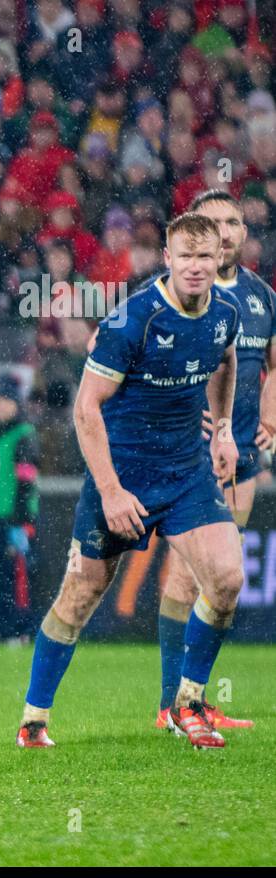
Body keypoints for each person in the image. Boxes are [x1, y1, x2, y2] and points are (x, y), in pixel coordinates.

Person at [17, 212, 244, 750]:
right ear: (167, 259)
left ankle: (187, 704)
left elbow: (226, 361)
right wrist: (113, 492)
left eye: (204, 257)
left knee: (228, 579)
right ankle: (33, 720)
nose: (195, 267)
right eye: (184, 257)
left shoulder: (226, 313)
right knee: (82, 592)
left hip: (187, 471)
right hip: (121, 475)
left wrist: (224, 431)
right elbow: (84, 410)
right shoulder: (131, 320)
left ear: (219, 260)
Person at [151, 189, 275, 732]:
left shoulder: (260, 297)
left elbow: (271, 365)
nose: (224, 232)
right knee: (186, 574)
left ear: (243, 233)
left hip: (244, 456)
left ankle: (195, 696)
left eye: (233, 222)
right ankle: (168, 703)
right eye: (214, 222)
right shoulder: (177, 294)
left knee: (220, 581)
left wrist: (268, 418)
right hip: (191, 457)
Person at [0, 374, 40, 644]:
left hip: (13, 519)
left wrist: (21, 520)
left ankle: (19, 630)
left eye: (7, 402)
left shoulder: (22, 436)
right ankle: (3, 629)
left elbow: (26, 481)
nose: (1, 407)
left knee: (16, 578)